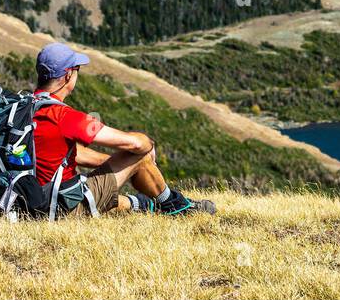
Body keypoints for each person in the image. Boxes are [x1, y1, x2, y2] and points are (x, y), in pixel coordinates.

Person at [31, 42, 216, 217]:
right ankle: (176, 206)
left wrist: (115, 163)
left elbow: (71, 153)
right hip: (60, 207)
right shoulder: (65, 116)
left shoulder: (23, 107)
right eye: (77, 70)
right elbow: (135, 144)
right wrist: (147, 147)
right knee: (139, 156)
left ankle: (146, 205)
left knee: (107, 185)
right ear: (68, 76)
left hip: (30, 202)